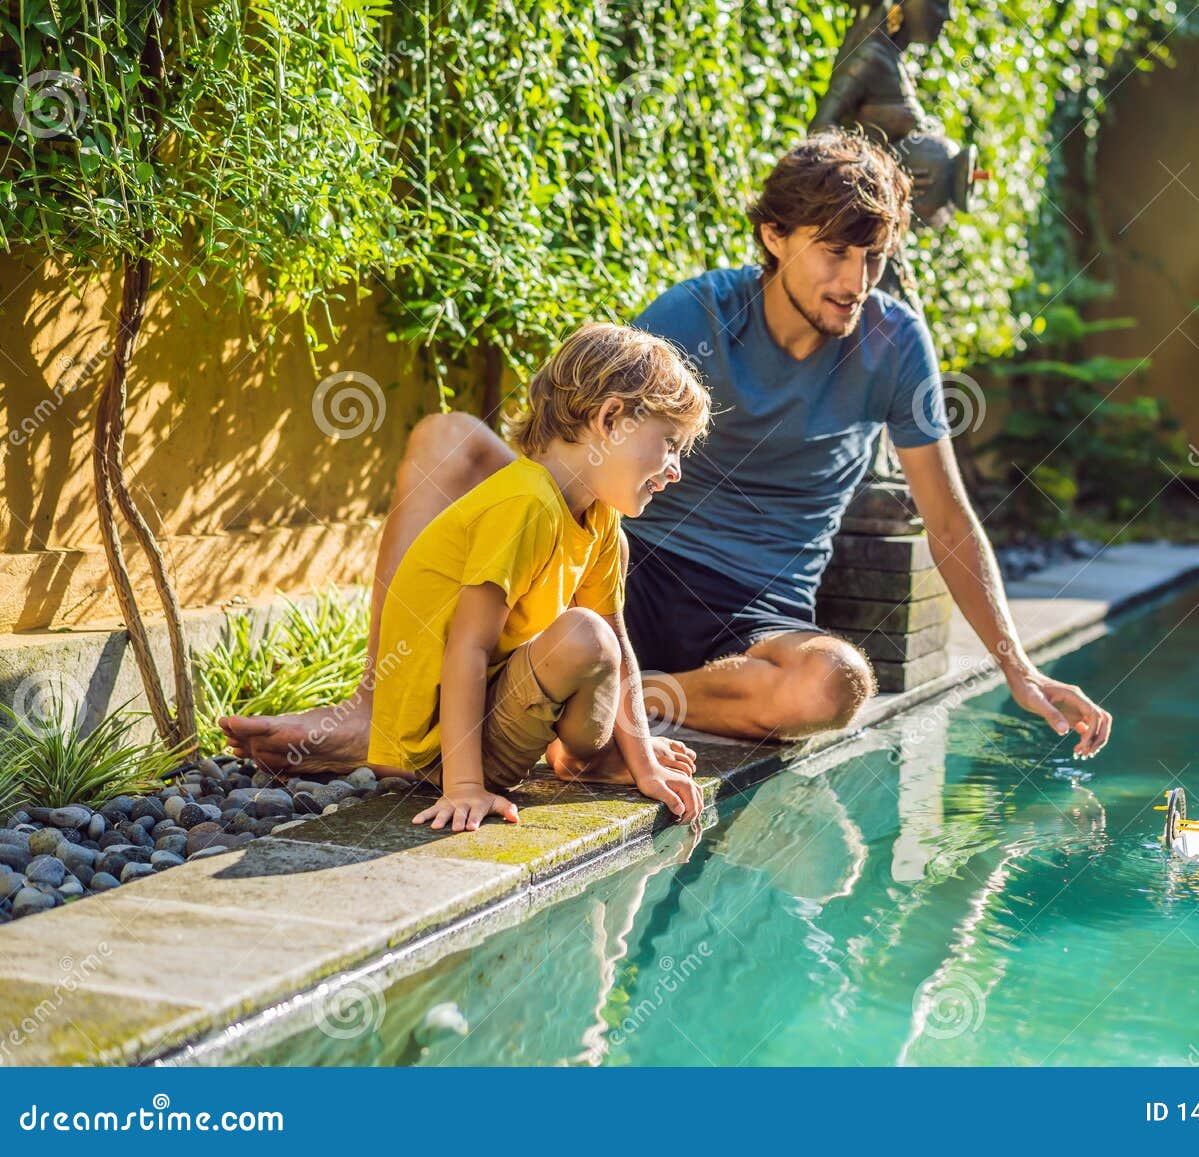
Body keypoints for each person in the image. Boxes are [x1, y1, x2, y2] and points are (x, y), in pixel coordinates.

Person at [220, 129, 1110, 773]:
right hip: (619, 561)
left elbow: (948, 517)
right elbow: (564, 438)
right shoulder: (693, 316)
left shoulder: (892, 342)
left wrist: (1017, 667)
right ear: (774, 237)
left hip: (749, 613)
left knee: (834, 683)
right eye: (835, 252)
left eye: (871, 258)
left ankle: (633, 702)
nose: (855, 281)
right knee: (447, 440)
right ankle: (378, 708)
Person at [358, 322, 710, 831]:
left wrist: (645, 763)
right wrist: (464, 788)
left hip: (484, 722)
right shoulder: (525, 504)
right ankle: (590, 761)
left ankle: (598, 757)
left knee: (599, 636)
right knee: (585, 636)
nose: (675, 469)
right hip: (442, 750)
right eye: (670, 443)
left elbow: (619, 643)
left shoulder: (601, 520)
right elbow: (467, 646)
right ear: (611, 418)